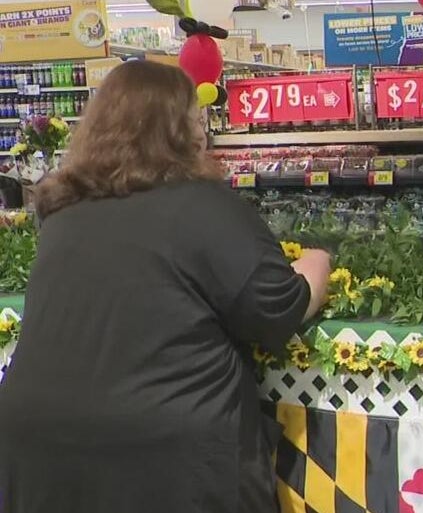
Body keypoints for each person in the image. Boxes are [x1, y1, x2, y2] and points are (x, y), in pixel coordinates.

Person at [0, 61, 332, 513]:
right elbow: (276, 308)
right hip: (166, 460)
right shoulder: (205, 206)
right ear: (178, 130)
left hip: (38, 453)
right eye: (196, 117)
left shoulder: (62, 215)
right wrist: (317, 262)